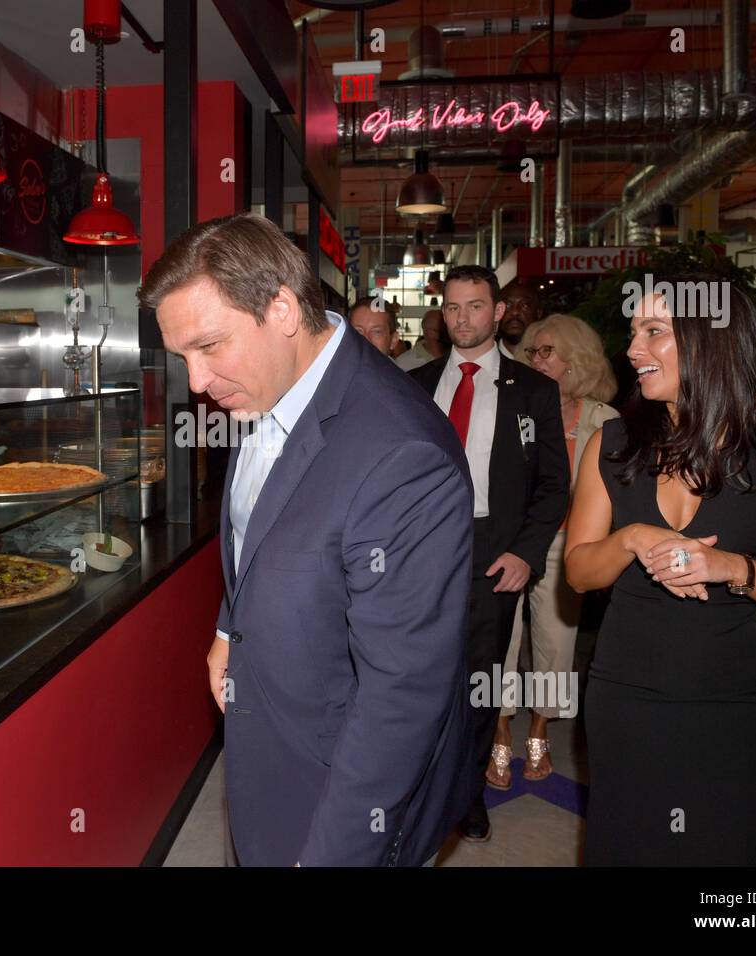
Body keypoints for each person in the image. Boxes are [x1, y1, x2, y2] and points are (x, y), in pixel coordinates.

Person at [138, 212, 475, 866]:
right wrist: (229, 627)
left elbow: (399, 703)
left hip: (338, 790)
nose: (196, 384)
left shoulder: (402, 455)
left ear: (284, 310)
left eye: (208, 347)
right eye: (182, 357)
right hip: (265, 744)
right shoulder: (267, 387)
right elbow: (256, 531)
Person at [565, 274, 756, 865]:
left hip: (730, 703)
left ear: (709, 342)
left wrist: (730, 566)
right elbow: (579, 573)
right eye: (634, 333)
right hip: (624, 697)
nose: (632, 351)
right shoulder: (611, 444)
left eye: (654, 332)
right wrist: (632, 538)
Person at [407, 264, 569, 843]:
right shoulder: (417, 384)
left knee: (480, 679)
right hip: (421, 552)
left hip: (492, 552)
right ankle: (417, 786)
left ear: (497, 312)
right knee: (418, 675)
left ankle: (467, 792)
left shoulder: (534, 390)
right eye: (452, 308)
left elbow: (554, 484)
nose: (463, 318)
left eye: (475, 306)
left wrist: (526, 552)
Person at [486, 314, 618, 789]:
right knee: (502, 637)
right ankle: (499, 729)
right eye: (532, 352)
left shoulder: (605, 421)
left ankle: (539, 728)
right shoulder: (510, 402)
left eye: (548, 352)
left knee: (557, 643)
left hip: (569, 542)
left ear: (575, 362)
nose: (536, 359)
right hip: (512, 539)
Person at [496, 281, 541, 359]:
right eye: (508, 305)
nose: (515, 312)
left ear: (538, 313)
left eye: (524, 305)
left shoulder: (550, 363)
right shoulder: (480, 362)